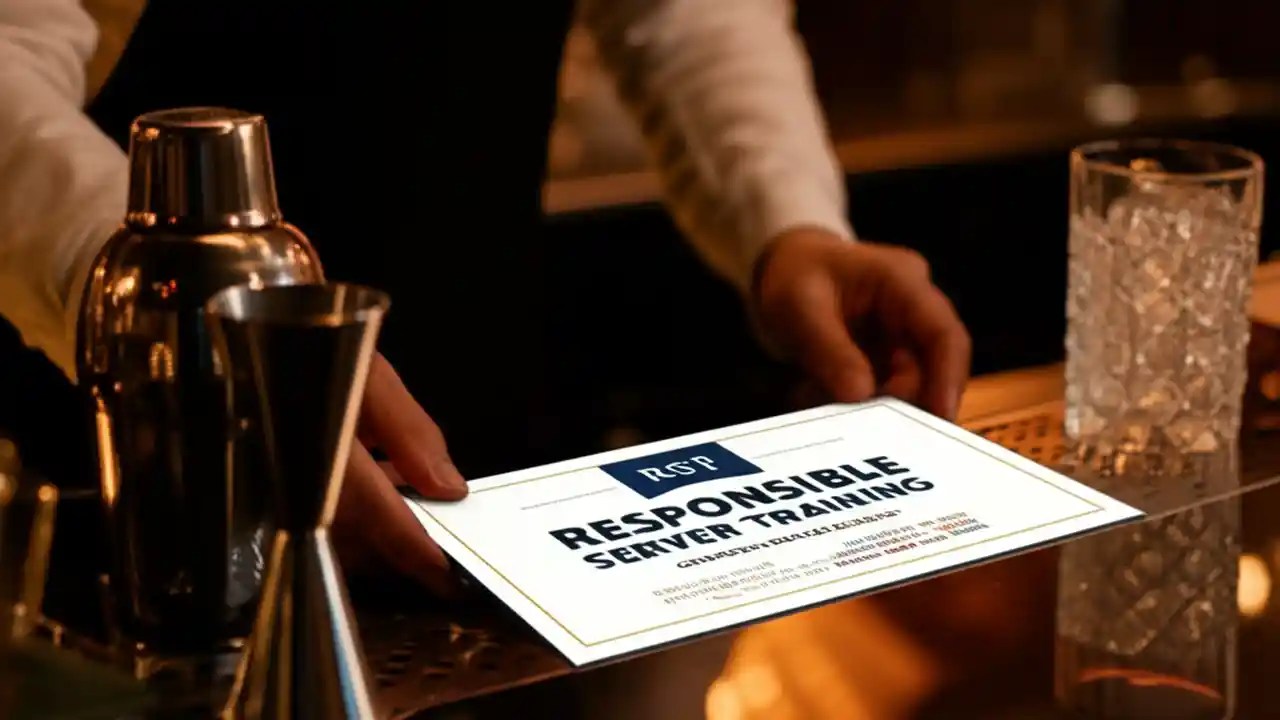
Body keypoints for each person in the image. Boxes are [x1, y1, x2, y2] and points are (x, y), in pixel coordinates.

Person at [0, 0, 970, 596]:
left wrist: (787, 223)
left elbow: (682, 15)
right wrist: (175, 314)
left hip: (481, 449)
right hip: (129, 471)